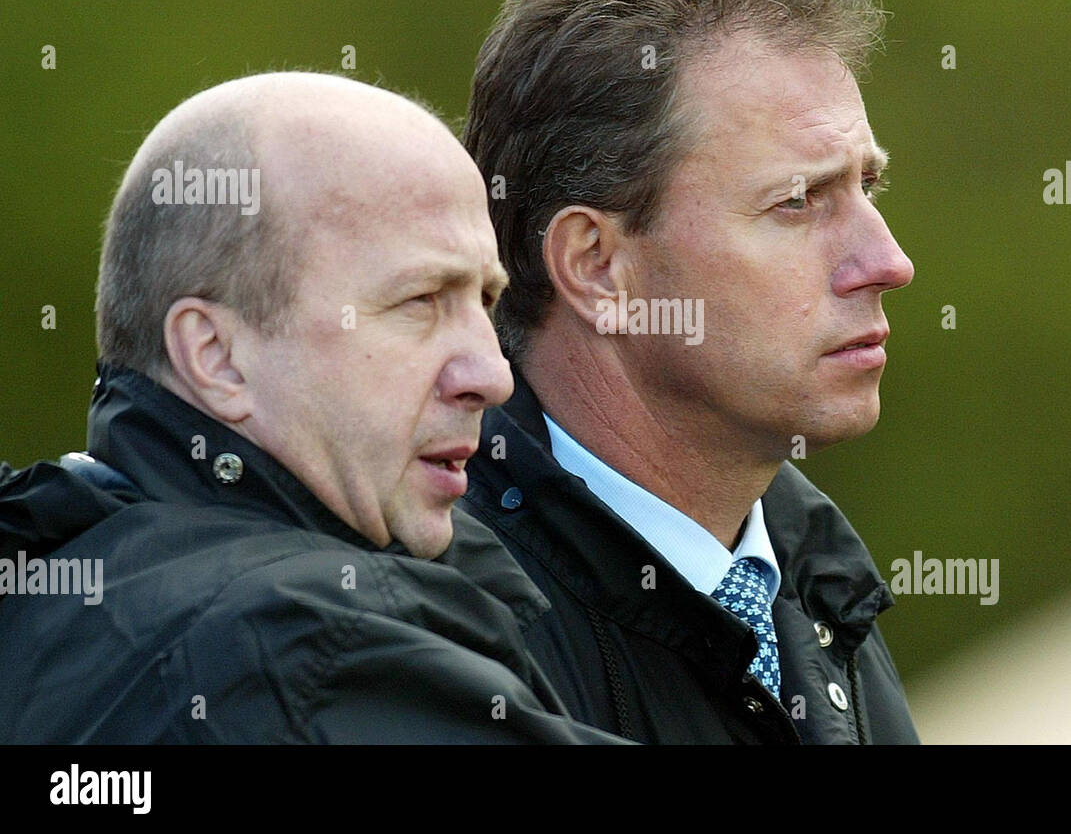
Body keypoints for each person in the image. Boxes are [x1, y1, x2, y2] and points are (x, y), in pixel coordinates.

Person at [0, 72, 621, 744]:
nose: (493, 375)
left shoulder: (70, 585)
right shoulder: (307, 650)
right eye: (420, 302)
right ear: (215, 356)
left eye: (486, 300)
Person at [461, 0, 921, 743]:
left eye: (869, 186)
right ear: (598, 266)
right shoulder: (450, 642)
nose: (887, 261)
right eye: (798, 201)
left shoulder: (808, 580)